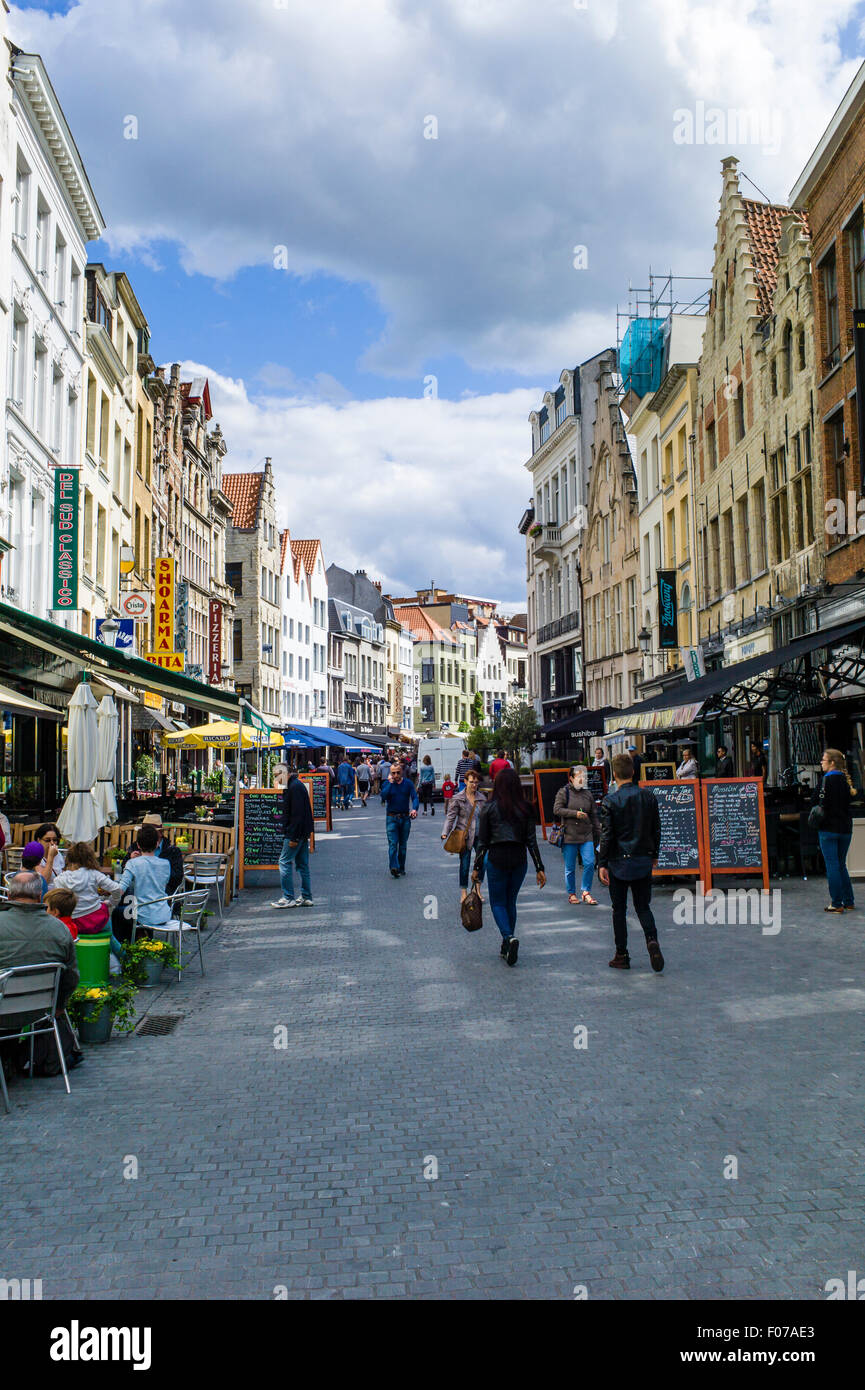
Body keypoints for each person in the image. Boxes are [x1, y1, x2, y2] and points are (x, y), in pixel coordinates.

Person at [0, 872, 81, 1071]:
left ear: (9, 896)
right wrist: (59, 1004)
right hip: (42, 1012)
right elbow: (71, 976)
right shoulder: (60, 929)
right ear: (38, 897)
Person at [472, 767, 545, 967]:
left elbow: (483, 841)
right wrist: (540, 867)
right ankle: (507, 943)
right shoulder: (526, 808)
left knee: (497, 902)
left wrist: (477, 867)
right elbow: (532, 840)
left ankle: (508, 937)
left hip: (497, 857)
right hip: (519, 858)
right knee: (510, 901)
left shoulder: (489, 807)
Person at [598, 752, 663, 972]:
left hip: (618, 862)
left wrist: (602, 863)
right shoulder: (649, 797)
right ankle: (651, 939)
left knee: (619, 910)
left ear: (614, 775)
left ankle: (622, 954)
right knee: (643, 906)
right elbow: (656, 829)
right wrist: (654, 854)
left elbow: (607, 835)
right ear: (633, 772)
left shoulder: (610, 801)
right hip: (643, 858)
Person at [115, 825, 173, 950]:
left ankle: (125, 953)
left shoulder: (133, 863)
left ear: (138, 845)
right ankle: (143, 940)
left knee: (118, 912)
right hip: (163, 913)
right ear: (157, 843)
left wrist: (106, 903)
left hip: (142, 914)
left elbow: (120, 890)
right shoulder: (166, 864)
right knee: (127, 910)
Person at [553, 765, 601, 905]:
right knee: (570, 867)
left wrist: (599, 833)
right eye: (579, 777)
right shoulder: (564, 792)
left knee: (589, 863)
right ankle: (572, 893)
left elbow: (594, 815)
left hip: (586, 834)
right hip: (569, 834)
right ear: (571, 778)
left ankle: (586, 891)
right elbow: (557, 809)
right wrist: (575, 814)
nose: (582, 779)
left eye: (583, 777)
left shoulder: (588, 794)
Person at [442, 765, 488, 901]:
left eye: (476, 782)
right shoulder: (458, 798)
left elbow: (486, 817)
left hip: (480, 835)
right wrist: (445, 832)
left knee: (483, 862)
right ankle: (463, 892)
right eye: (471, 781)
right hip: (465, 836)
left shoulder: (482, 798)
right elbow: (451, 817)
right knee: (465, 863)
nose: (474, 784)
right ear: (465, 781)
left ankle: (477, 889)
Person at [53, 842, 120, 935]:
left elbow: (57, 895)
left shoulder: (62, 878)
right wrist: (112, 903)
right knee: (112, 940)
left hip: (74, 923)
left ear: (70, 860)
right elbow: (116, 889)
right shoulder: (93, 873)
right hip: (98, 920)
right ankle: (118, 949)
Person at [817, 748, 854, 913]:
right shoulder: (846, 782)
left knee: (832, 865)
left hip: (828, 829)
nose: (821, 762)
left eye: (823, 760)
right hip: (846, 828)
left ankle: (836, 903)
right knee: (841, 865)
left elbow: (815, 801)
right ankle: (849, 901)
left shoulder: (825, 780)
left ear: (832, 763)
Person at [272, 768, 314, 908]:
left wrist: (293, 837)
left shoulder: (293, 788)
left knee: (284, 862)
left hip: (295, 833)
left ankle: (288, 897)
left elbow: (296, 815)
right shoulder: (296, 785)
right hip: (302, 832)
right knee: (302, 865)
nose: (277, 779)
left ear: (286, 774)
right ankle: (306, 896)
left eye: (278, 775)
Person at [380, 760, 419, 878]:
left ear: (401, 772)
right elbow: (384, 796)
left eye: (398, 773)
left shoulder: (408, 784)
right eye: (393, 773)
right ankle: (394, 867)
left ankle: (401, 867)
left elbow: (414, 797)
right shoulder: (387, 784)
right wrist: (390, 783)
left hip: (405, 818)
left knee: (402, 846)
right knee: (393, 844)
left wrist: (414, 809)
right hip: (391, 818)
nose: (396, 775)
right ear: (390, 773)